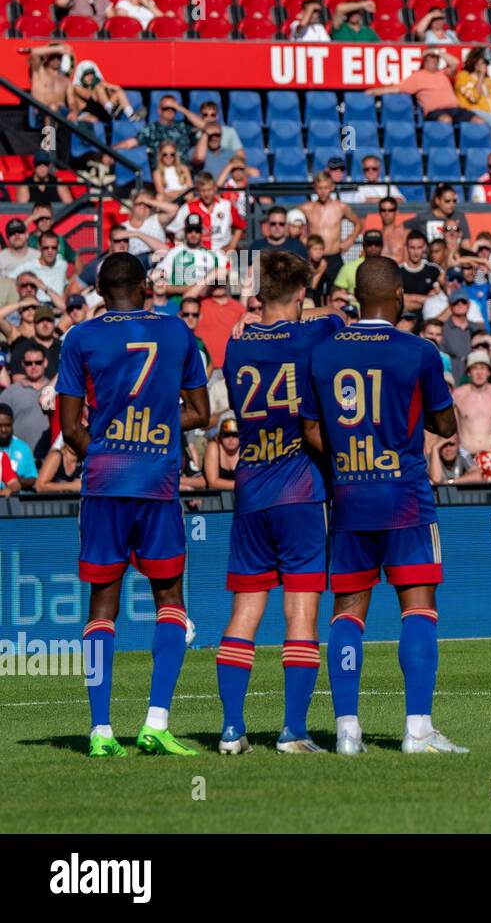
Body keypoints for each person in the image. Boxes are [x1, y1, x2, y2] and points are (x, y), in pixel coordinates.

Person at [302, 257, 467, 755]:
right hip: (405, 497)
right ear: (398, 297)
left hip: (350, 492)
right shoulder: (419, 351)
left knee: (348, 609)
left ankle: (347, 731)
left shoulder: (324, 351)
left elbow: (310, 427)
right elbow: (446, 426)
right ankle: (417, 729)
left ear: (356, 299)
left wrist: (350, 459)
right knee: (418, 607)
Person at [55, 253, 211, 757]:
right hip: (157, 482)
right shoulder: (177, 334)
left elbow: (71, 426)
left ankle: (100, 731)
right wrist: (158, 428)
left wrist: (103, 448)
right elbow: (202, 412)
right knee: (170, 600)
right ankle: (156, 722)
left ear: (99, 291)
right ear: (147, 286)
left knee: (102, 606)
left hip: (104, 482)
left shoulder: (79, 338)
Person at [215, 252, 343, 753]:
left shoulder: (235, 345)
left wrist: (266, 311)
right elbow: (338, 318)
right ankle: (292, 731)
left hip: (249, 488)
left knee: (244, 609)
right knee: (301, 611)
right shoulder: (311, 334)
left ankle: (231, 730)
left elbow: (274, 316)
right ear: (300, 296)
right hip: (300, 490)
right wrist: (303, 310)